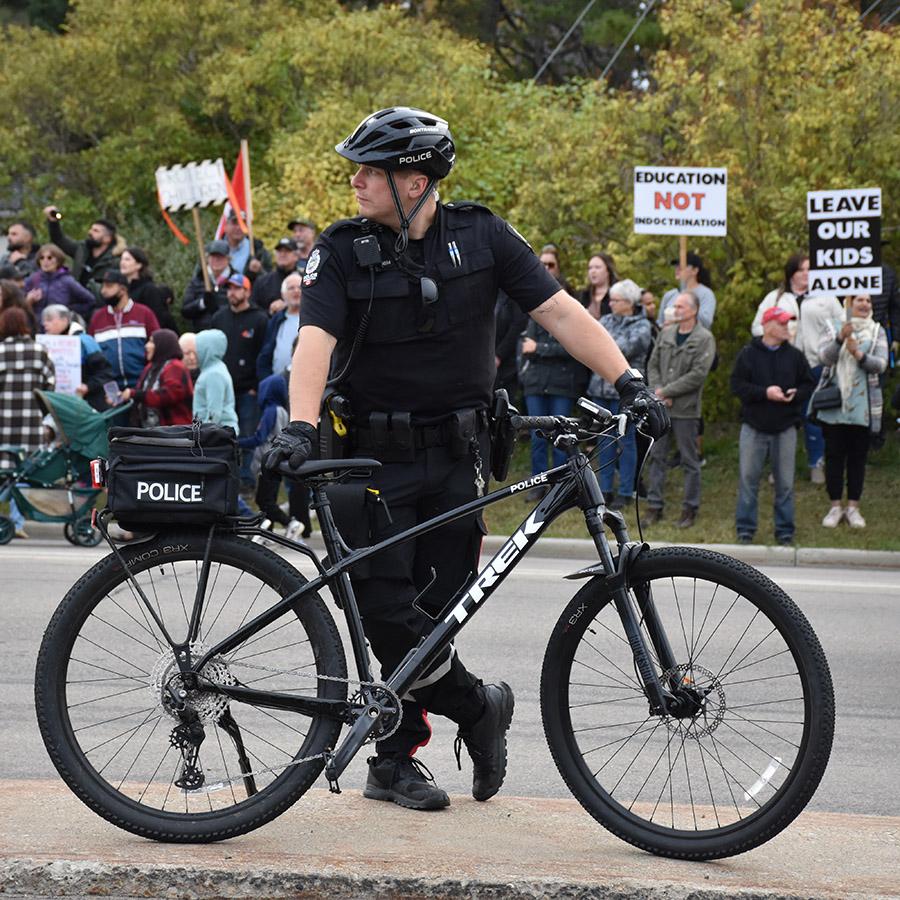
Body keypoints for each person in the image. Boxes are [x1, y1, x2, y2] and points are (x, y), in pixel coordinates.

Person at [264, 106, 669, 811]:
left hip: (459, 457)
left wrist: (629, 380)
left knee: (437, 613)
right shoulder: (340, 248)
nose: (355, 180)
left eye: (370, 170)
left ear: (414, 182)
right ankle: (479, 706)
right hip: (367, 459)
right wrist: (300, 427)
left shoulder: (483, 236)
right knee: (388, 611)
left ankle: (393, 761)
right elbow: (315, 342)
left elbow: (562, 312)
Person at [751, 252, 842, 483]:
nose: (806, 274)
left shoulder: (826, 297)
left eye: (810, 269)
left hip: (816, 364)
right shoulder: (776, 298)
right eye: (801, 269)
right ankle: (778, 468)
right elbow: (757, 328)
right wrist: (775, 336)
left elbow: (841, 325)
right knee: (781, 418)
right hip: (783, 366)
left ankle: (817, 464)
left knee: (814, 416)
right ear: (792, 273)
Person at [730, 308, 815, 545]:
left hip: (785, 427)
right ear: (767, 326)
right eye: (782, 323)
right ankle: (745, 529)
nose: (787, 327)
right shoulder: (748, 354)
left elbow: (809, 384)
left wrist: (797, 394)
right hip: (754, 426)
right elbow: (736, 385)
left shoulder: (796, 356)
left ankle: (785, 531)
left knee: (785, 483)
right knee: (748, 480)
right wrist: (764, 393)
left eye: (788, 323)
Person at [643, 290, 716, 528]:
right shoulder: (666, 333)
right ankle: (654, 505)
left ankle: (689, 508)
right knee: (656, 456)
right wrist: (657, 391)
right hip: (661, 406)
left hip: (686, 409)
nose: (676, 310)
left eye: (681, 307)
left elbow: (698, 375)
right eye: (675, 306)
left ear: (694, 310)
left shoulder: (704, 338)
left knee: (689, 459)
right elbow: (652, 365)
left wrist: (667, 392)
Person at [815, 294, 888, 529]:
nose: (865, 305)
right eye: (860, 300)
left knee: (858, 458)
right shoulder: (833, 326)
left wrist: (858, 354)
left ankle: (853, 507)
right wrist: (839, 339)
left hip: (863, 408)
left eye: (868, 301)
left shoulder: (877, 331)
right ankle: (835, 506)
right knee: (834, 457)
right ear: (849, 303)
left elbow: (881, 364)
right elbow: (824, 358)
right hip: (836, 405)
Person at [588, 279, 652, 509]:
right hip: (600, 388)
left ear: (629, 302)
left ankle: (626, 490)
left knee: (627, 441)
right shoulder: (605, 320)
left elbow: (621, 349)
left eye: (615, 300)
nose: (611, 304)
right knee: (604, 440)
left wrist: (602, 343)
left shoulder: (643, 326)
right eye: (611, 300)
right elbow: (590, 345)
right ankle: (603, 489)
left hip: (626, 393)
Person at [0, 307, 56, 538]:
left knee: (5, 471)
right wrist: (39, 413)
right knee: (24, 471)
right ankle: (17, 521)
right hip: (30, 424)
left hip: (2, 423)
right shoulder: (39, 351)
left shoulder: (0, 351)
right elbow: (50, 387)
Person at [211, 273, 268, 494]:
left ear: (247, 291)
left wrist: (256, 385)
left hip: (247, 389)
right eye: (229, 288)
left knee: (246, 434)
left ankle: (246, 480)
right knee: (222, 433)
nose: (231, 292)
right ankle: (225, 476)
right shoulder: (219, 318)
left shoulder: (259, 319)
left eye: (236, 288)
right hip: (223, 389)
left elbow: (263, 355)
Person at [239, 373, 309, 540]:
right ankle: (265, 534)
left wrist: (237, 442)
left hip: (268, 462)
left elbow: (259, 438)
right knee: (265, 500)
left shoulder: (271, 411)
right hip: (276, 462)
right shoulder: (283, 411)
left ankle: (290, 523)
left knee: (265, 501)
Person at [519, 312, 589, 478]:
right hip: (535, 384)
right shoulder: (535, 319)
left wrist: (540, 348)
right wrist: (548, 350)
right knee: (537, 437)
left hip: (562, 386)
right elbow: (527, 349)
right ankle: (539, 480)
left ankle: (560, 481)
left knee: (561, 435)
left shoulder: (570, 321)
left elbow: (571, 349)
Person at [88, 270, 160, 391]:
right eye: (103, 286)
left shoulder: (144, 313)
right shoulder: (97, 318)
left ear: (123, 289)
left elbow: (158, 345)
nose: (103, 291)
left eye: (109, 286)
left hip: (141, 385)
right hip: (109, 388)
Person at [41, 304, 116, 412]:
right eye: (43, 320)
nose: (45, 324)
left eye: (49, 319)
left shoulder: (85, 342)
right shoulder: (46, 344)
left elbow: (105, 372)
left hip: (89, 406)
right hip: (60, 405)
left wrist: (88, 387)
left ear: (65, 320)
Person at [43, 206, 123, 298]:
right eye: (91, 229)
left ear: (107, 239)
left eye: (96, 231)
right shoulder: (82, 249)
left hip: (98, 301)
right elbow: (59, 240)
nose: (90, 232)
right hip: (75, 298)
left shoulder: (115, 260)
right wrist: (53, 223)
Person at [120, 329, 194, 427]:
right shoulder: (150, 367)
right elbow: (141, 391)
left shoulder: (175, 367)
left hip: (173, 432)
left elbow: (167, 396)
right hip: (152, 431)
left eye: (151, 342)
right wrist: (123, 396)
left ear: (162, 345)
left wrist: (134, 394)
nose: (146, 346)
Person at [23, 243, 95, 327]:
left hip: (59, 329)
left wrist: (67, 310)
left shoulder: (67, 281)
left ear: (58, 260)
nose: (45, 261)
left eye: (49, 258)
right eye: (41, 258)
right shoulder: (33, 279)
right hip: (36, 327)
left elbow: (90, 300)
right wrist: (28, 300)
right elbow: (18, 305)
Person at [182, 240, 239, 332]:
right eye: (213, 257)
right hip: (202, 334)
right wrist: (202, 303)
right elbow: (185, 311)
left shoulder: (236, 281)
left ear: (228, 259)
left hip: (228, 332)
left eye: (220, 257)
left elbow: (241, 308)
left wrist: (218, 308)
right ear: (207, 259)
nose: (216, 260)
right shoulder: (197, 280)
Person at [119, 246, 178, 334]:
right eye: (122, 259)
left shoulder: (149, 290)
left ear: (139, 265)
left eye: (127, 259)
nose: (122, 263)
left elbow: (158, 319)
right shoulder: (123, 290)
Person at [258, 272, 303, 381]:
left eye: (299, 287)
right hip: (277, 382)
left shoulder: (313, 318)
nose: (296, 291)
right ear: (283, 295)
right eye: (291, 288)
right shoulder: (276, 319)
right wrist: (266, 379)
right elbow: (266, 353)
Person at [192, 329, 239, 432]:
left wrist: (205, 435)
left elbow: (214, 412)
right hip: (216, 433)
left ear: (207, 349)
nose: (195, 350)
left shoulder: (213, 374)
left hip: (217, 435)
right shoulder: (212, 369)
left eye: (198, 347)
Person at [657, 252, 716, 329]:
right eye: (677, 266)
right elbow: (660, 323)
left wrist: (679, 317)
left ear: (695, 270)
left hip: (695, 340)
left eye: (682, 266)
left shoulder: (706, 294)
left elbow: (706, 322)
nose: (677, 269)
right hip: (669, 339)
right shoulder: (669, 295)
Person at [250, 238, 302, 314]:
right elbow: (254, 311)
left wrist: (290, 306)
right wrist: (270, 311)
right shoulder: (262, 282)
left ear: (296, 256)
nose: (282, 254)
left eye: (287, 251)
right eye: (279, 251)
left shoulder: (305, 280)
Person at [493, 289, 527, 403]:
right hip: (488, 360)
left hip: (507, 365)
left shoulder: (514, 295)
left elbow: (518, 327)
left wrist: (499, 354)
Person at [222, 210, 271, 283]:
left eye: (243, 223)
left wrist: (259, 271)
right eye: (235, 223)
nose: (239, 227)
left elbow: (269, 281)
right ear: (226, 226)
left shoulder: (258, 251)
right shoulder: (213, 250)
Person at [580, 252, 617, 319]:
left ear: (608, 271)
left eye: (597, 267)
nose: (593, 271)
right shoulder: (584, 295)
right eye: (590, 268)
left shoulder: (618, 294)